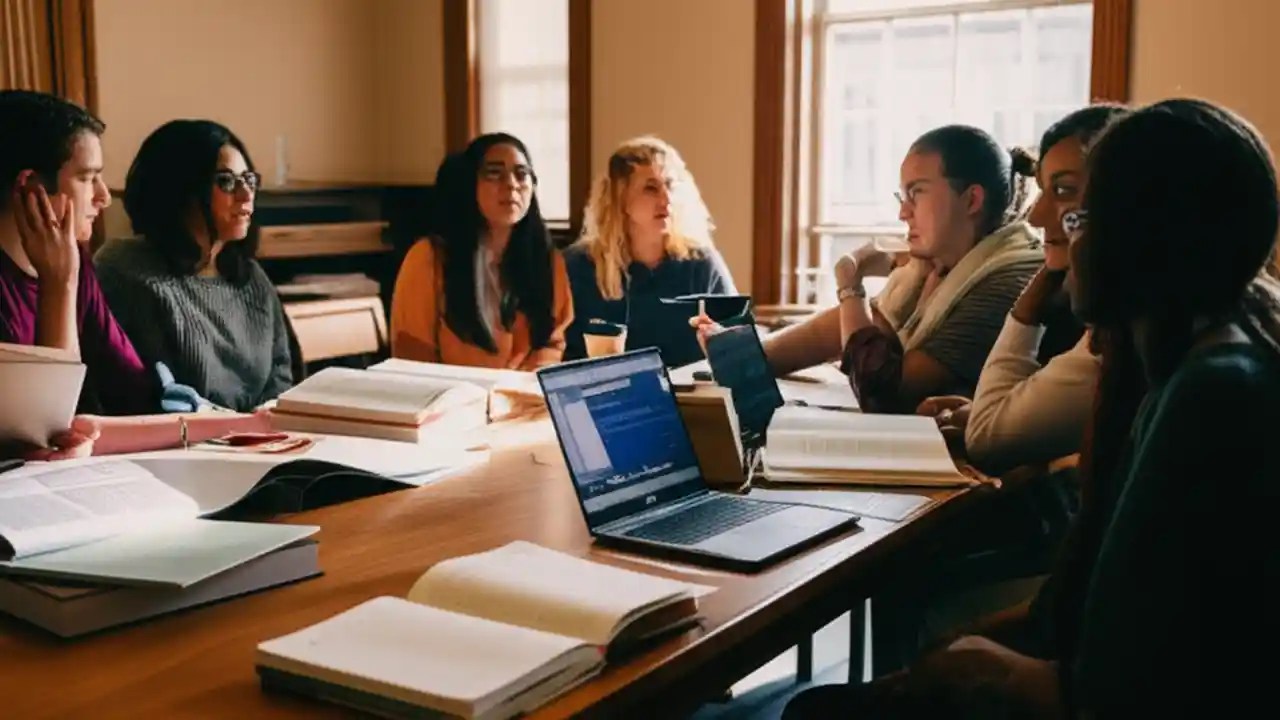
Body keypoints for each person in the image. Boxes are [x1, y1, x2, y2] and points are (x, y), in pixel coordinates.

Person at [784, 98, 1280, 719]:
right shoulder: (1204, 346)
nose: (1042, 217)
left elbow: (1133, 680)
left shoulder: (1210, 396)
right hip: (1076, 664)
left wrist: (992, 672)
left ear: (1148, 233)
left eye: (1077, 212)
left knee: (814, 712)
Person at [698, 125, 1041, 414]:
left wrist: (851, 285)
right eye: (901, 197)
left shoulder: (1004, 284)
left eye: (916, 193)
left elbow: (882, 393)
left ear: (971, 201)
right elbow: (836, 334)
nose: (903, 213)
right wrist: (737, 355)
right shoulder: (942, 269)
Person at [919, 104, 1130, 476]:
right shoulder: (1118, 320)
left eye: (1063, 191)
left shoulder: (1122, 336)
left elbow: (986, 440)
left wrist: (1026, 308)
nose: (1036, 216)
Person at [94, 120, 292, 413]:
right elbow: (152, 394)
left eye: (248, 179)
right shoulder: (125, 270)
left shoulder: (251, 277)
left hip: (262, 440)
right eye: (226, 181)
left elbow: (281, 377)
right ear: (180, 189)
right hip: (178, 444)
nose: (246, 195)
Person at [0, 90, 156, 415]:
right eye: (87, 178)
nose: (103, 197)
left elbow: (133, 390)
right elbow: (43, 425)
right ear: (31, 186)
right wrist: (59, 285)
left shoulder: (76, 261)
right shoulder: (65, 269)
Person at [391, 134, 572, 370]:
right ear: (469, 183)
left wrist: (520, 388)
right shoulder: (429, 257)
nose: (511, 184)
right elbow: (412, 353)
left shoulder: (547, 261)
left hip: (520, 398)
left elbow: (550, 343)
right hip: (448, 399)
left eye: (521, 173)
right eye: (494, 173)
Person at [566, 136, 737, 367]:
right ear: (620, 198)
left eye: (670, 185)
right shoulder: (578, 266)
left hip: (689, 398)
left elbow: (740, 346)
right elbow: (560, 354)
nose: (666, 199)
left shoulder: (701, 264)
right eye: (651, 188)